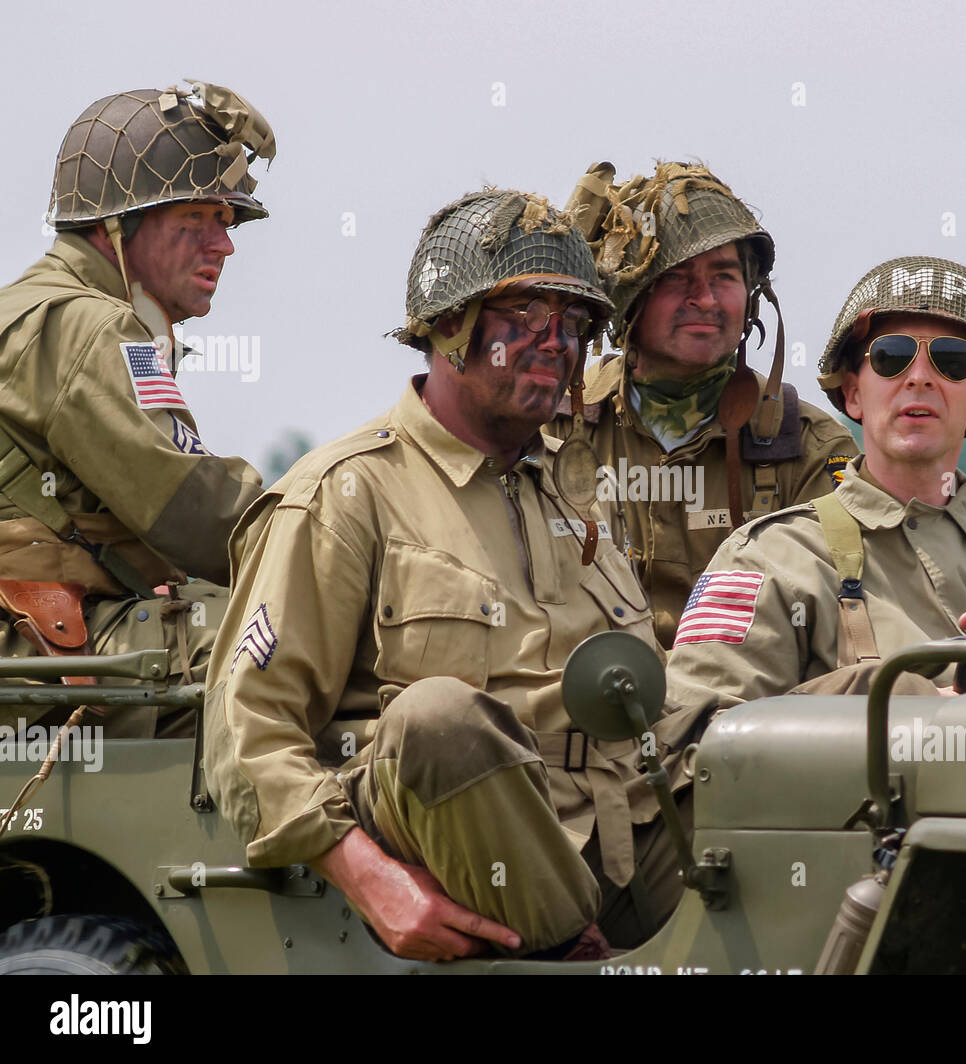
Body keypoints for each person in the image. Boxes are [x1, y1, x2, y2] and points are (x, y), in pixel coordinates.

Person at [205, 190, 698, 962]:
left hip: (618, 829)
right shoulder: (343, 494)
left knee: (800, 744)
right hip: (461, 843)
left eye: (572, 325)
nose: (555, 343)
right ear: (446, 327)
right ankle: (571, 950)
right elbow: (248, 736)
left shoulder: (574, 491)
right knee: (438, 721)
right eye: (525, 318)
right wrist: (367, 876)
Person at [665, 255, 966, 712]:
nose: (919, 378)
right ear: (853, 393)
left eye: (952, 361)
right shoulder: (777, 557)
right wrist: (909, 704)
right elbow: (702, 733)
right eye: (891, 357)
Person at [0, 81, 274, 737]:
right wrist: (351, 536)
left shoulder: (39, 309)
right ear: (114, 227)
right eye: (196, 220)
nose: (224, 245)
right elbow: (201, 515)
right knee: (285, 646)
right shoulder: (93, 329)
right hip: (34, 652)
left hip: (38, 633)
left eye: (226, 221)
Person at [548, 162, 857, 649]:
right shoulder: (552, 429)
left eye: (724, 275)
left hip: (745, 708)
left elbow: (843, 617)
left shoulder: (807, 447)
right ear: (631, 298)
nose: (706, 298)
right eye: (677, 278)